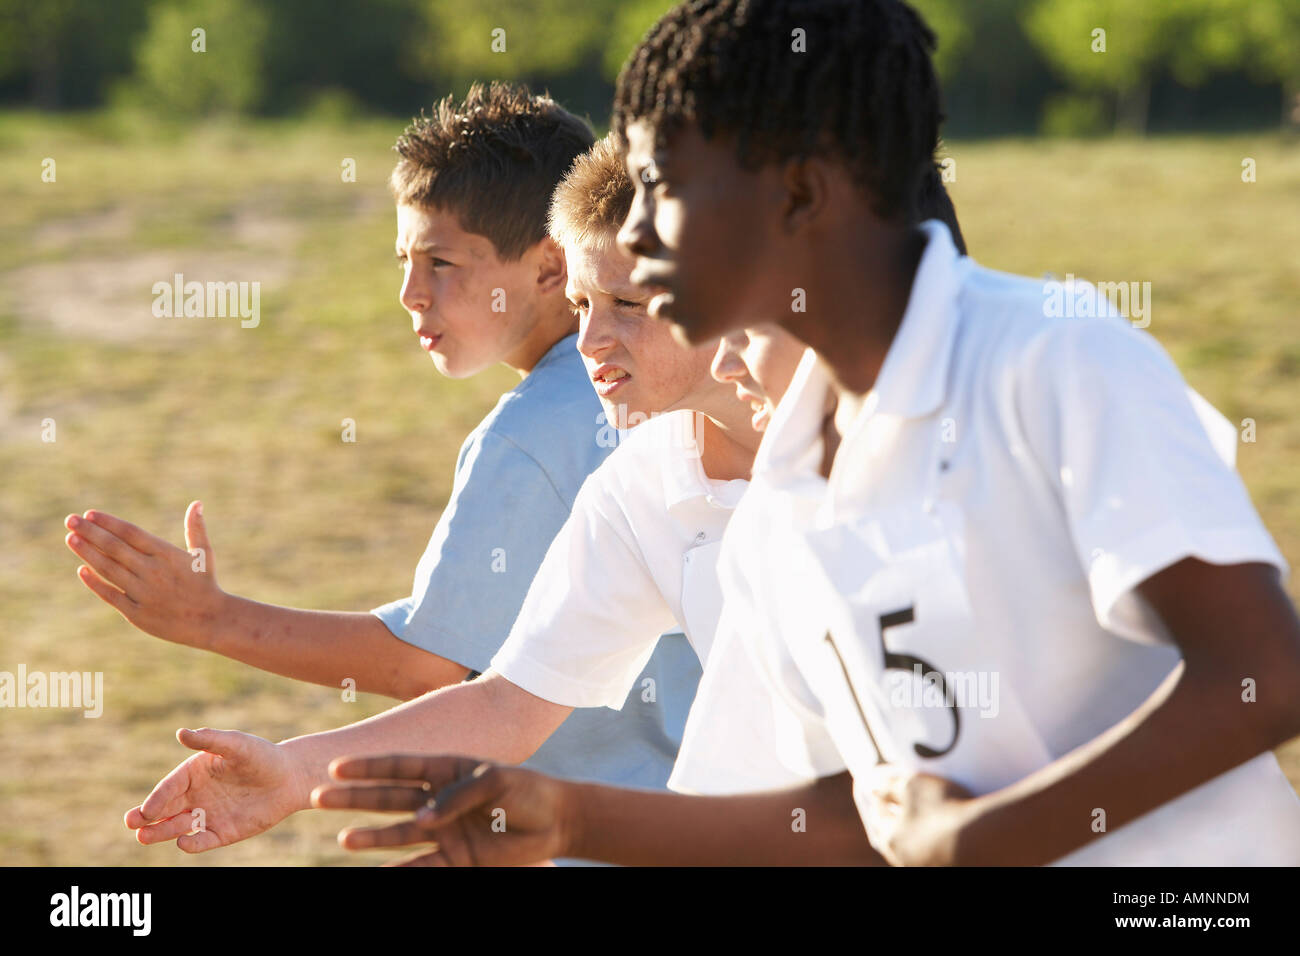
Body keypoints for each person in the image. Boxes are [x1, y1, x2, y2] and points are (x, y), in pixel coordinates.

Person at [319, 0, 1300, 867]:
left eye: (664, 187)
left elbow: (1262, 670)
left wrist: (988, 841)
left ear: (798, 192)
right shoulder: (783, 490)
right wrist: (565, 821)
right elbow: (843, 818)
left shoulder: (1048, 358)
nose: (640, 231)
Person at [64, 84, 700, 859]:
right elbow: (504, 695)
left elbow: (432, 663)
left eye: (441, 262)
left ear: (548, 266)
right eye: (403, 260)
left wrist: (213, 620)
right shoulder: (661, 416)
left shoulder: (537, 431)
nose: (409, 294)